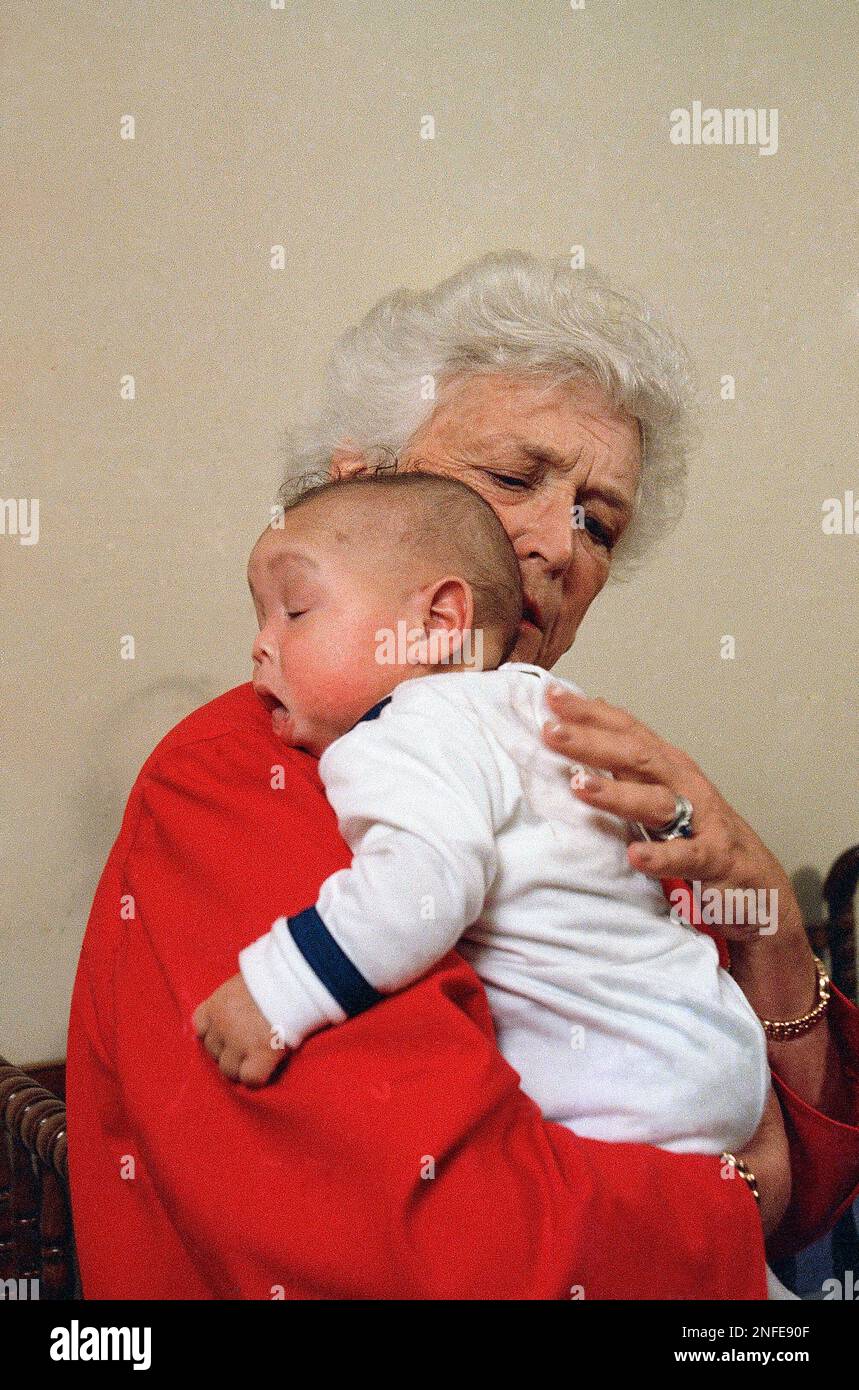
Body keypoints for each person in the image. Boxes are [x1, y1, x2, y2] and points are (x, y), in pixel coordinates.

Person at [67, 251, 859, 1299]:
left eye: (598, 522)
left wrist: (770, 921)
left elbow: (814, 1186)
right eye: (513, 477)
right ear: (361, 486)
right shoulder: (233, 778)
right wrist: (734, 1195)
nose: (554, 545)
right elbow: (437, 1249)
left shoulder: (571, 760)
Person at [190, 471, 797, 1301]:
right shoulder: (543, 702)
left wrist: (280, 982)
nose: (262, 644)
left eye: (293, 611)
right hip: (707, 1065)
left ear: (436, 621)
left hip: (613, 1102)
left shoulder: (394, 733)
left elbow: (426, 884)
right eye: (260, 618)